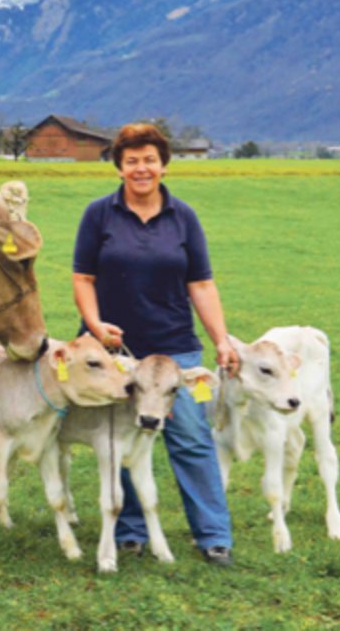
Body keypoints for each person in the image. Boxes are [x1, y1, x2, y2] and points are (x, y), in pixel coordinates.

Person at [71, 122, 241, 566]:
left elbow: (201, 284)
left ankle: (213, 535)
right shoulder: (99, 215)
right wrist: (94, 323)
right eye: (132, 161)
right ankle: (129, 532)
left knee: (189, 436)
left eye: (149, 160)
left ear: (164, 165)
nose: (141, 169)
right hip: (118, 354)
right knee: (121, 437)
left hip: (175, 351)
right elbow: (82, 278)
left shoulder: (183, 217)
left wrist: (220, 340)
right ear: (119, 167)